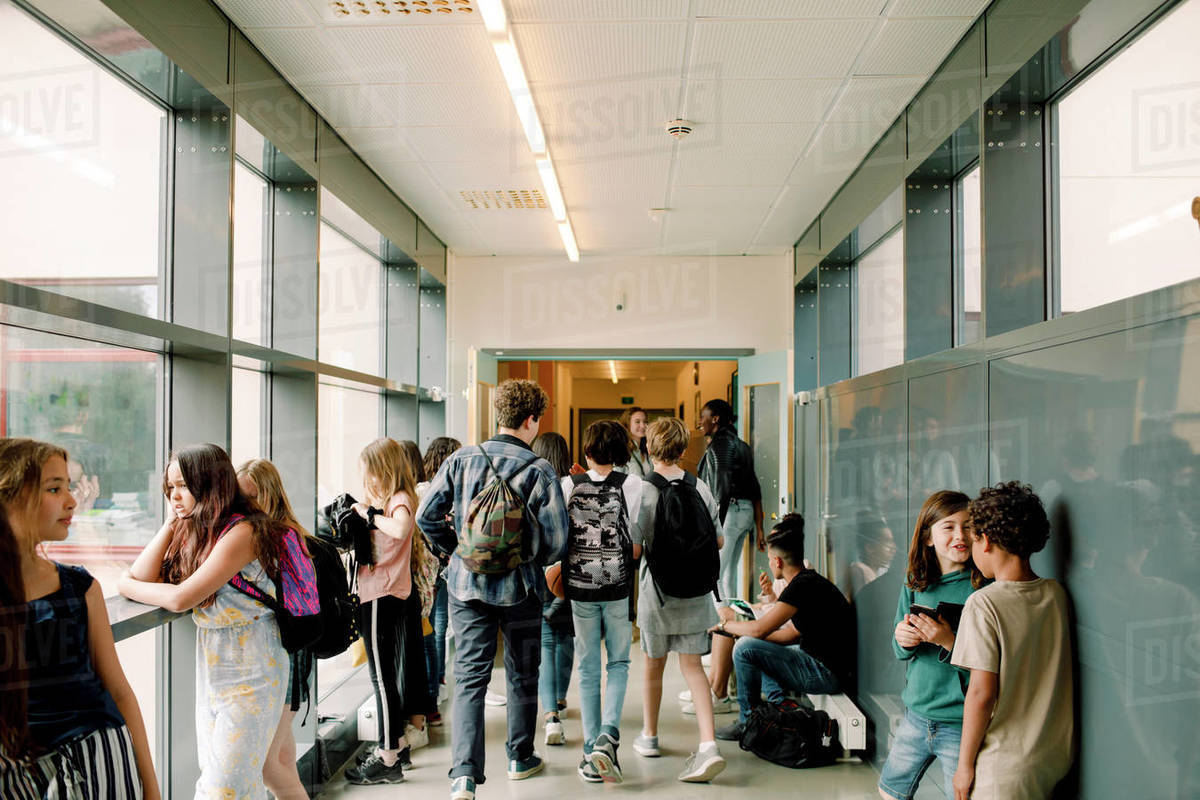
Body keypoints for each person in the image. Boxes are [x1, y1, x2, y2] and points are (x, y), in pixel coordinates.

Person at [416, 379, 569, 800]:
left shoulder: (462, 459)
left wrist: (458, 553)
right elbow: (557, 542)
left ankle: (464, 775)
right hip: (522, 590)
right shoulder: (539, 471)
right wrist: (528, 555)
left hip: (467, 590)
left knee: (469, 679)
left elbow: (425, 516)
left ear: (499, 415)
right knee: (523, 673)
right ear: (531, 419)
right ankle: (520, 757)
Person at [119, 442, 288, 799]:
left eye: (182, 485)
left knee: (221, 789)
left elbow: (180, 598)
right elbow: (144, 574)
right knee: (235, 782)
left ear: (209, 482)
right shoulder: (198, 528)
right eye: (170, 487)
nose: (174, 496)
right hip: (214, 670)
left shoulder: (245, 532)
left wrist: (126, 585)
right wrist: (170, 522)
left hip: (254, 671)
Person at [1, 439, 158, 800]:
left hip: (100, 764)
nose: (71, 501)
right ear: (10, 497)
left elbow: (119, 691)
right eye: (54, 488)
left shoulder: (79, 588)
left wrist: (150, 786)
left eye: (68, 487)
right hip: (15, 774)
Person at [951, 482, 1073, 800]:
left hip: (1004, 768)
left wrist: (964, 766)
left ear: (986, 541)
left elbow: (981, 693)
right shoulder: (1055, 594)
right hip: (1051, 757)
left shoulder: (984, 604)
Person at [631, 416, 727, 783]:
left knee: (653, 667)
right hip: (696, 594)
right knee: (692, 669)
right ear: (684, 450)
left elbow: (637, 549)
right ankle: (708, 744)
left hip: (657, 593)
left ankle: (650, 736)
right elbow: (718, 541)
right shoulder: (699, 486)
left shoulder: (642, 490)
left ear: (648, 448)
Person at [713, 513, 853, 741]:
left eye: (769, 559)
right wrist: (754, 639)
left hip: (824, 673)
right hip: (824, 664)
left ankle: (748, 722)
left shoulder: (799, 587)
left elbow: (759, 629)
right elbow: (792, 634)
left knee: (744, 647)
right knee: (753, 645)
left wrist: (725, 625)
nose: (769, 564)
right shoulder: (807, 581)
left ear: (777, 561)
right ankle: (773, 706)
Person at [342, 438, 431, 784]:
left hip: (382, 595)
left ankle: (388, 755)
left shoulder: (399, 501)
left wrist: (369, 514)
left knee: (381, 678)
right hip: (383, 594)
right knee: (385, 677)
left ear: (384, 471)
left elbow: (401, 528)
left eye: (371, 473)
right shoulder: (391, 501)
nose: (368, 480)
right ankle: (393, 747)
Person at [878, 491, 977, 800]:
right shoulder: (915, 582)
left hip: (961, 725)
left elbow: (989, 666)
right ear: (929, 537)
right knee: (889, 792)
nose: (959, 535)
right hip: (916, 714)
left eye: (968, 526)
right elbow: (899, 650)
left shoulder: (983, 588)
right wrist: (904, 639)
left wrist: (946, 640)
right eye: (948, 527)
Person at [561, 420, 642, 784]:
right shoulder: (634, 484)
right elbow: (635, 536)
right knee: (620, 663)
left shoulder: (568, 485)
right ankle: (608, 736)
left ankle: (591, 749)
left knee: (589, 667)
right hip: (617, 585)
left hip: (579, 586)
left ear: (588, 450)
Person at [235, 458, 315, 800]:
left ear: (269, 496)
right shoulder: (291, 532)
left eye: (252, 497)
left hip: (282, 653)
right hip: (292, 649)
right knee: (281, 756)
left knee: (269, 765)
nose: (246, 506)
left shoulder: (274, 538)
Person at [530, 432, 575, 748]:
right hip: (573, 574)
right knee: (566, 637)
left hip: (542, 572)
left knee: (546, 640)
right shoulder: (574, 485)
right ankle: (559, 697)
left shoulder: (533, 484)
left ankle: (550, 717)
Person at [697, 399, 764, 602]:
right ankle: (732, 624)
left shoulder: (720, 445)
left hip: (729, 514)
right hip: (745, 513)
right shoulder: (741, 445)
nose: (700, 422)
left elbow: (721, 490)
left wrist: (713, 527)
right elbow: (755, 488)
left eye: (703, 416)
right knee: (728, 576)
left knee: (713, 575)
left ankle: (722, 627)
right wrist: (760, 527)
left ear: (715, 419)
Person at [419, 436, 463, 726]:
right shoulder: (456, 491)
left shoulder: (423, 490)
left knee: (431, 631)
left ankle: (432, 696)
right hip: (447, 566)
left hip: (426, 569)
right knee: (439, 630)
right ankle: (437, 690)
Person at [617, 407, 651, 479]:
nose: (643, 426)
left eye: (645, 422)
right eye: (637, 422)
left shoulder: (648, 449)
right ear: (627, 424)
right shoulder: (621, 451)